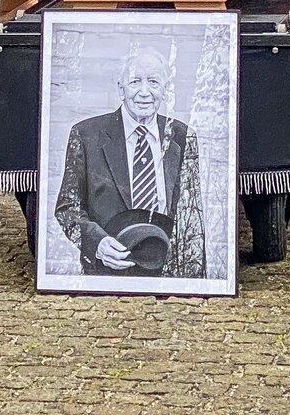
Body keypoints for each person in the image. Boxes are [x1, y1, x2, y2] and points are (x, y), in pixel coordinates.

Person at [52, 47, 205, 279]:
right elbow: (67, 208)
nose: (144, 92)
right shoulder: (86, 136)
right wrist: (98, 244)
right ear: (120, 89)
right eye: (135, 82)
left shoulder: (183, 137)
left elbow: (192, 214)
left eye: (153, 82)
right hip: (107, 271)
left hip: (166, 269)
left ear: (165, 89)